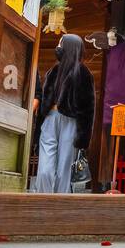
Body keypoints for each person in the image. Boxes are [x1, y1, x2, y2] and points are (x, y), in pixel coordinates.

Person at [30, 33, 95, 194]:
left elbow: (89, 109)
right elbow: (45, 99)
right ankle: (43, 202)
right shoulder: (54, 71)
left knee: (64, 171)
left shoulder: (84, 74)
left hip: (71, 123)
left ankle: (59, 205)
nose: (57, 47)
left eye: (60, 44)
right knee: (44, 169)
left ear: (68, 48)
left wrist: (83, 140)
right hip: (50, 119)